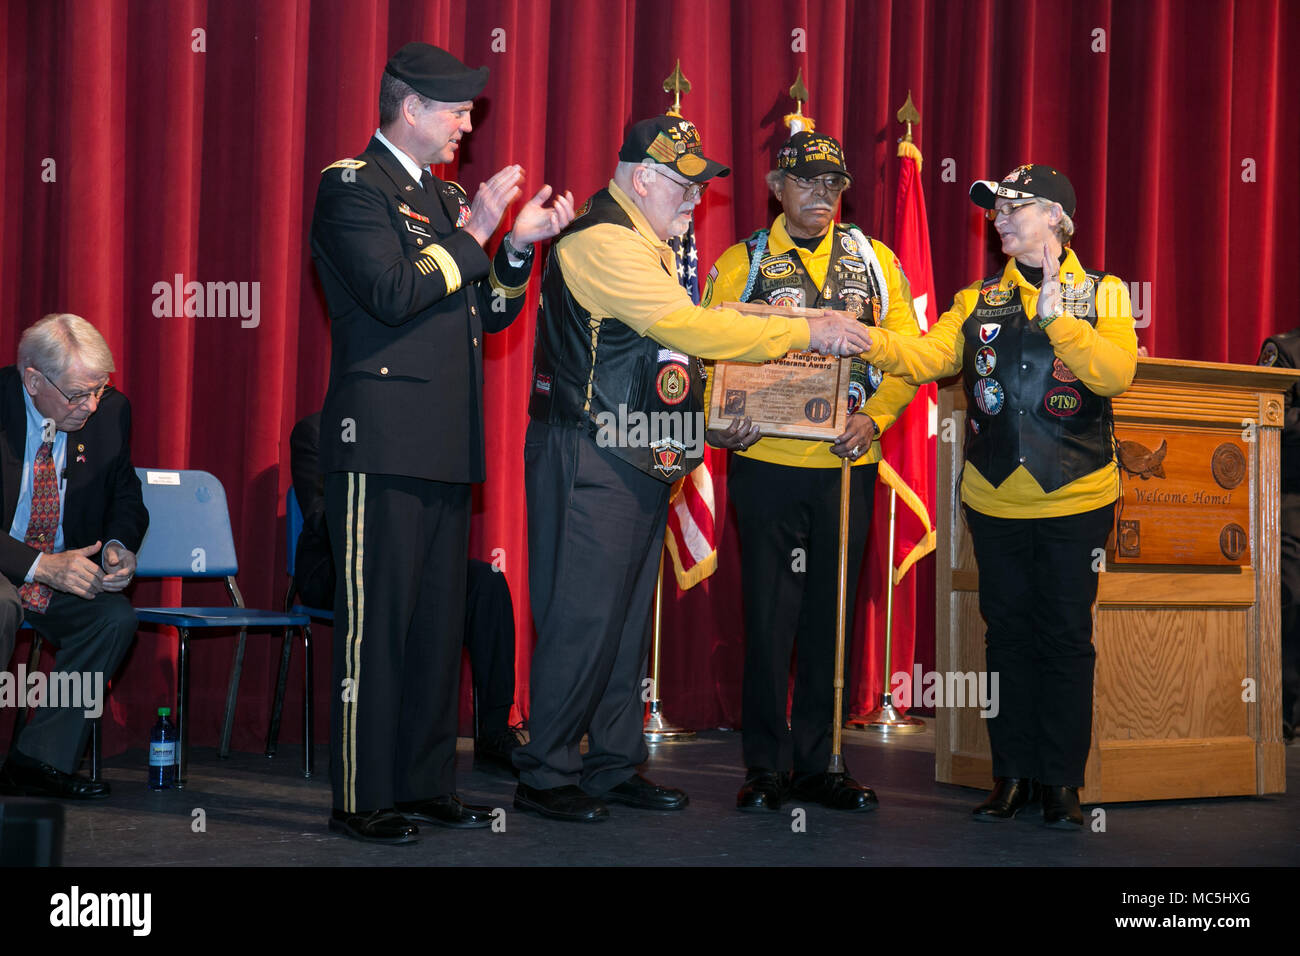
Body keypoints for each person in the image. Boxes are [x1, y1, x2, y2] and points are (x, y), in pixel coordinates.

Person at [515, 114, 873, 822]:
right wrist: (809, 328)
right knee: (583, 617)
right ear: (642, 178)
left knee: (621, 627)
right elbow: (691, 329)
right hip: (591, 448)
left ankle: (612, 764)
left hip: (636, 450)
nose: (694, 201)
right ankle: (546, 771)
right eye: (683, 187)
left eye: (699, 189)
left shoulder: (642, 241)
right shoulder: (603, 242)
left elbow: (678, 335)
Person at [310, 41, 574, 844]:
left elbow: (485, 312)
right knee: (376, 626)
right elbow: (393, 294)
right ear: (411, 108)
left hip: (447, 442)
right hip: (379, 440)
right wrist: (479, 232)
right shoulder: (351, 187)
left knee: (433, 629)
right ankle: (362, 796)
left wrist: (517, 248)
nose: (467, 122)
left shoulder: (444, 193)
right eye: (457, 109)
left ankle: (424, 785)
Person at [861, 165, 1137, 828]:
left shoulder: (1105, 292)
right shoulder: (974, 297)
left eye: (1016, 207)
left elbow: (1116, 373)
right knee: (1006, 639)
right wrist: (860, 338)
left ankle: (1063, 786)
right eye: (995, 209)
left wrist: (1059, 321)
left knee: (1066, 639)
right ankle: (1011, 776)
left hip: (1077, 497)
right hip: (995, 500)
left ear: (1058, 219)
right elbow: (930, 359)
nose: (1000, 218)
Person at [702, 131, 921, 813]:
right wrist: (717, 416)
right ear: (776, 188)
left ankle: (822, 763)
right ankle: (765, 767)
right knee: (768, 620)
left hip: (845, 466)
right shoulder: (743, 262)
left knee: (833, 620)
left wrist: (876, 419)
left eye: (834, 183)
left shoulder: (876, 261)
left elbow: (908, 354)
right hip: (765, 463)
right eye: (807, 182)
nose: (822, 195)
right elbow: (704, 344)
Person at [288, 412, 525, 773]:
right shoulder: (316, 431)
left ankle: (493, 730)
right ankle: (378, 740)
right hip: (337, 563)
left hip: (412, 557)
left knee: (485, 583)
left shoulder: (406, 428)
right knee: (392, 579)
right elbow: (320, 515)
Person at [0, 313, 146, 800]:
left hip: (64, 565)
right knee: (1, 605)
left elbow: (127, 497)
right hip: (5, 563)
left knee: (112, 619)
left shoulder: (110, 412)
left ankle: (39, 760)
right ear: (33, 378)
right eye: (78, 394)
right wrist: (41, 567)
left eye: (99, 389)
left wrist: (118, 548)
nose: (90, 405)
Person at [1257, 328, 1300, 741]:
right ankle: (1283, 713)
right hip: (1291, 502)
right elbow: (1268, 414)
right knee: (1292, 599)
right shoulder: (1284, 351)